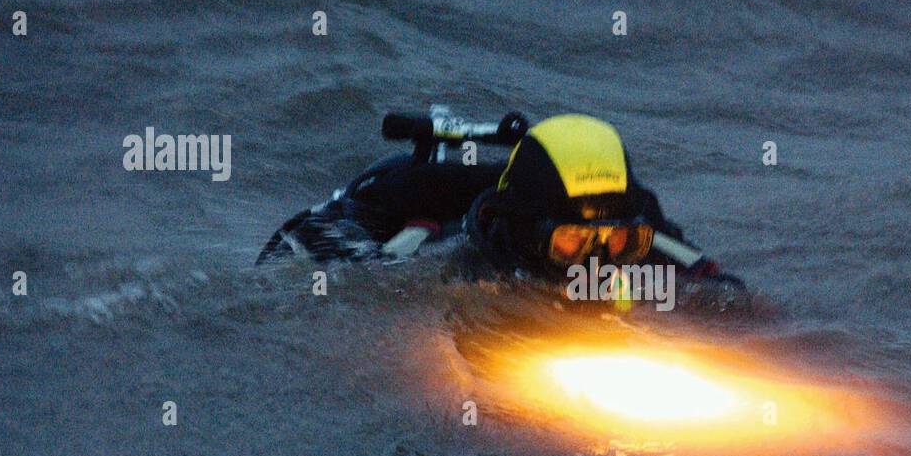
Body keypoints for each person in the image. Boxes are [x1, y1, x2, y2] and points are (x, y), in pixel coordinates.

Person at [258, 111, 739, 287]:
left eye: (618, 247)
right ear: (527, 233)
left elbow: (723, 288)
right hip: (384, 209)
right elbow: (297, 260)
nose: (595, 265)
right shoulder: (461, 243)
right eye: (571, 246)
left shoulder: (633, 220)